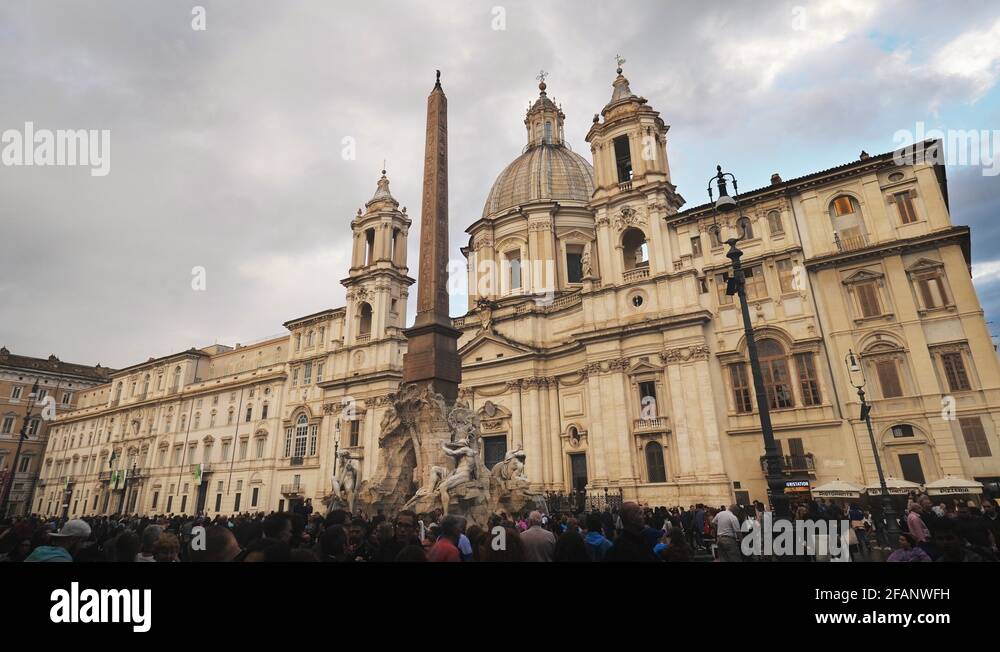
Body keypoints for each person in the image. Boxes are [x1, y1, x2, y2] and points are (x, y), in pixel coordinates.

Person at [25, 519, 91, 562]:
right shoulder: (62, 559)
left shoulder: (40, 550)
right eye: (83, 541)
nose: (84, 545)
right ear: (74, 539)